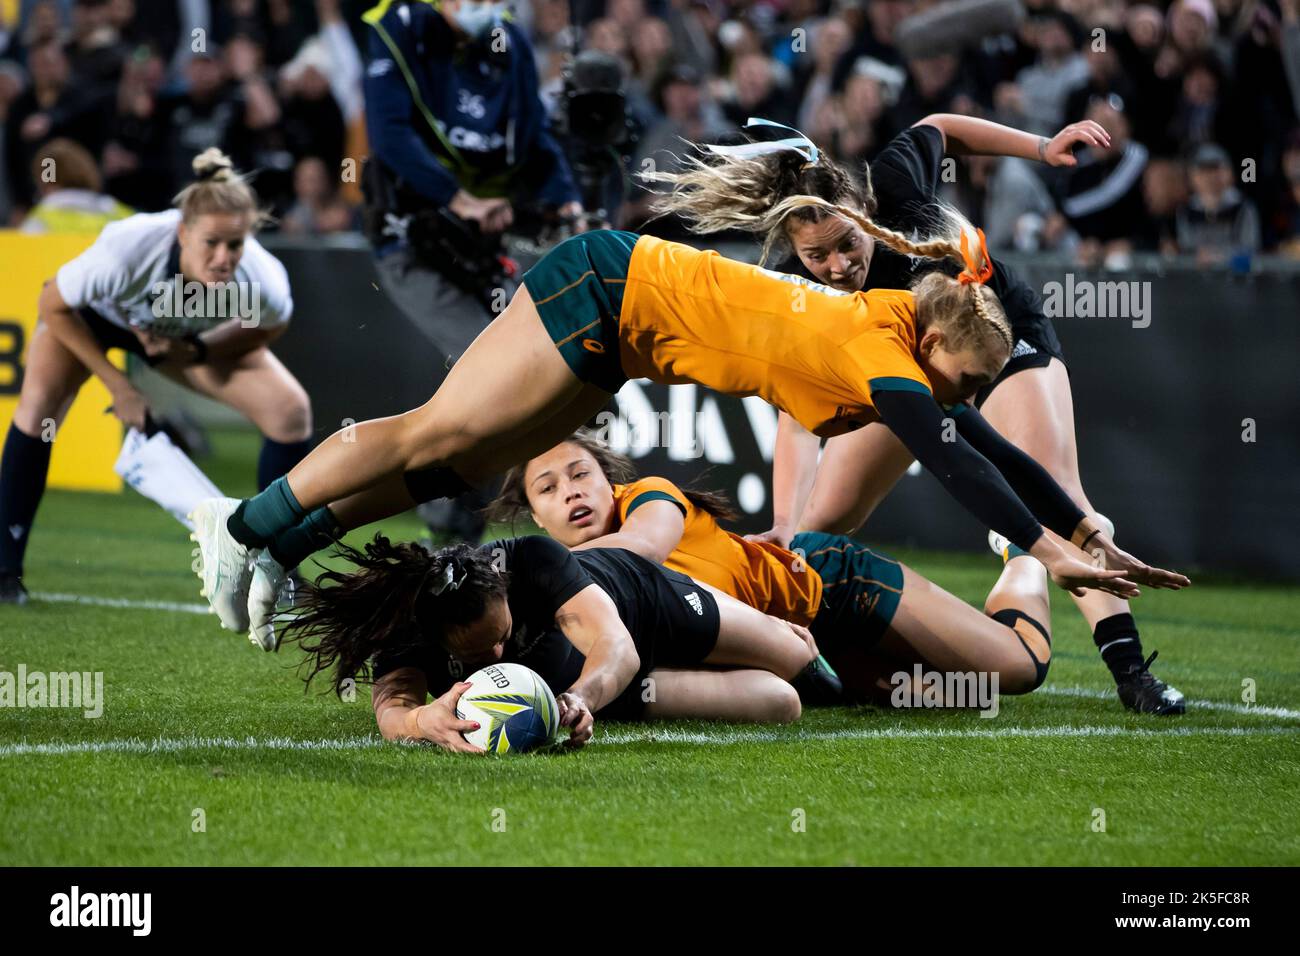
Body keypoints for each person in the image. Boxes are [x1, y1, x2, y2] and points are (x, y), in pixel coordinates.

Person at [189, 203, 1189, 650]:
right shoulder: (882, 353)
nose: (964, 400)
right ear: (931, 341)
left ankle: (287, 540)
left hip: (627, 332)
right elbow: (956, 457)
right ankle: (238, 526)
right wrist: (1049, 552)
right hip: (610, 285)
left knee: (464, 464)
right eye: (962, 381)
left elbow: (990, 447)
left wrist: (1082, 530)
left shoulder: (910, 348)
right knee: (433, 432)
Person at [647, 114, 1185, 715]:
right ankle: (808, 661)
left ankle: (1131, 670)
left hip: (992, 346)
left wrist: (1040, 146)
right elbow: (800, 416)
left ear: (860, 209)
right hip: (898, 377)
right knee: (812, 535)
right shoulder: (798, 288)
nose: (838, 266)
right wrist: (783, 519)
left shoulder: (893, 185)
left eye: (848, 243)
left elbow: (940, 127)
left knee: (1054, 490)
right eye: (815, 255)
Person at [489, 430, 1073, 706]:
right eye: (548, 487)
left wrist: (537, 568)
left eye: (580, 474)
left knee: (1020, 669)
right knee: (963, 698)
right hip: (804, 658)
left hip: (830, 588)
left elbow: (639, 550)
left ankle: (1022, 554)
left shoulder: (646, 496)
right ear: (536, 515)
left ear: (607, 479)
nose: (571, 492)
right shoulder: (571, 606)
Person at [0, 148, 311, 605]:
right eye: (211, 243)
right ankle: (5, 568)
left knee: (290, 411)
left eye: (235, 244)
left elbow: (272, 323)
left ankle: (279, 569)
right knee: (40, 409)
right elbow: (52, 302)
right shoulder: (131, 245)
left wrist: (199, 349)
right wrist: (120, 385)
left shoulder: (259, 275)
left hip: (173, 338)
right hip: (91, 320)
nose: (225, 258)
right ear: (182, 231)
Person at [360, 0, 584, 543]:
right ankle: (446, 521)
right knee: (487, 368)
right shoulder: (398, 28)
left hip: (483, 245)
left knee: (529, 363)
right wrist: (455, 197)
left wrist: (565, 198)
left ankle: (469, 520)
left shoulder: (510, 43)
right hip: (411, 239)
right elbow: (389, 134)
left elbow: (533, 134)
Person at [283, 533, 824, 753]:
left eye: (501, 637)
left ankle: (704, 586)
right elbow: (393, 709)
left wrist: (586, 694)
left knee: (796, 655)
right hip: (601, 690)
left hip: (638, 602)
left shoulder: (534, 560)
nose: (499, 655)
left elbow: (618, 646)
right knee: (781, 703)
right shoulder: (407, 626)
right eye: (476, 654)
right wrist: (424, 722)